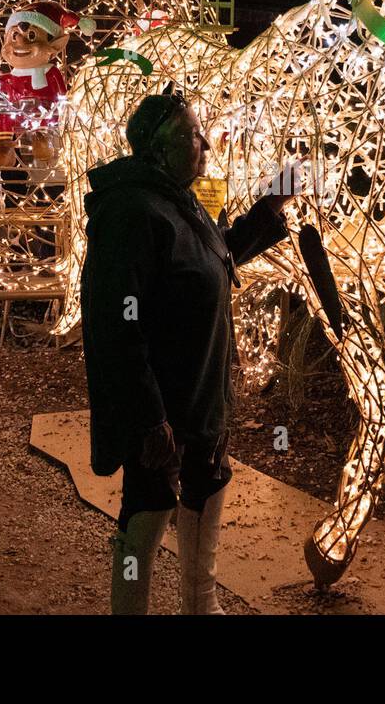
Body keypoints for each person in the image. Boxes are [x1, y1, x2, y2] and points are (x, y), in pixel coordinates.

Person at [82, 92, 299, 615]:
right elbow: (116, 327)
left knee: (205, 505)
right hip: (165, 413)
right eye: (191, 135)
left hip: (203, 403)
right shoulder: (133, 212)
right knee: (146, 520)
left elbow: (213, 262)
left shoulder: (178, 199)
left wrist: (270, 207)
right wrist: (148, 418)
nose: (204, 144)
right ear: (158, 149)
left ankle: (201, 610)